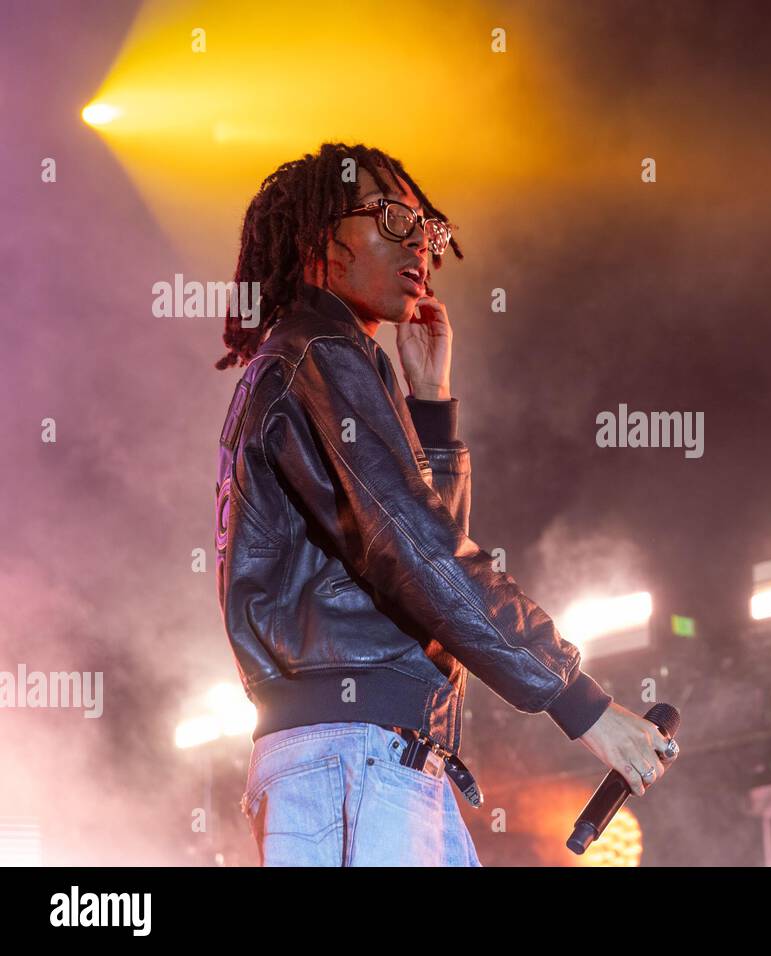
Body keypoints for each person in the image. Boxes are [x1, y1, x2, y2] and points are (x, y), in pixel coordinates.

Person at [212, 143, 676, 866]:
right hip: (357, 757)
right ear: (317, 236)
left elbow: (416, 557)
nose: (420, 245)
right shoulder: (320, 354)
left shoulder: (327, 359)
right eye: (392, 218)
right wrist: (579, 703)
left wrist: (429, 407)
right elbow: (419, 550)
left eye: (427, 228)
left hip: (376, 756)